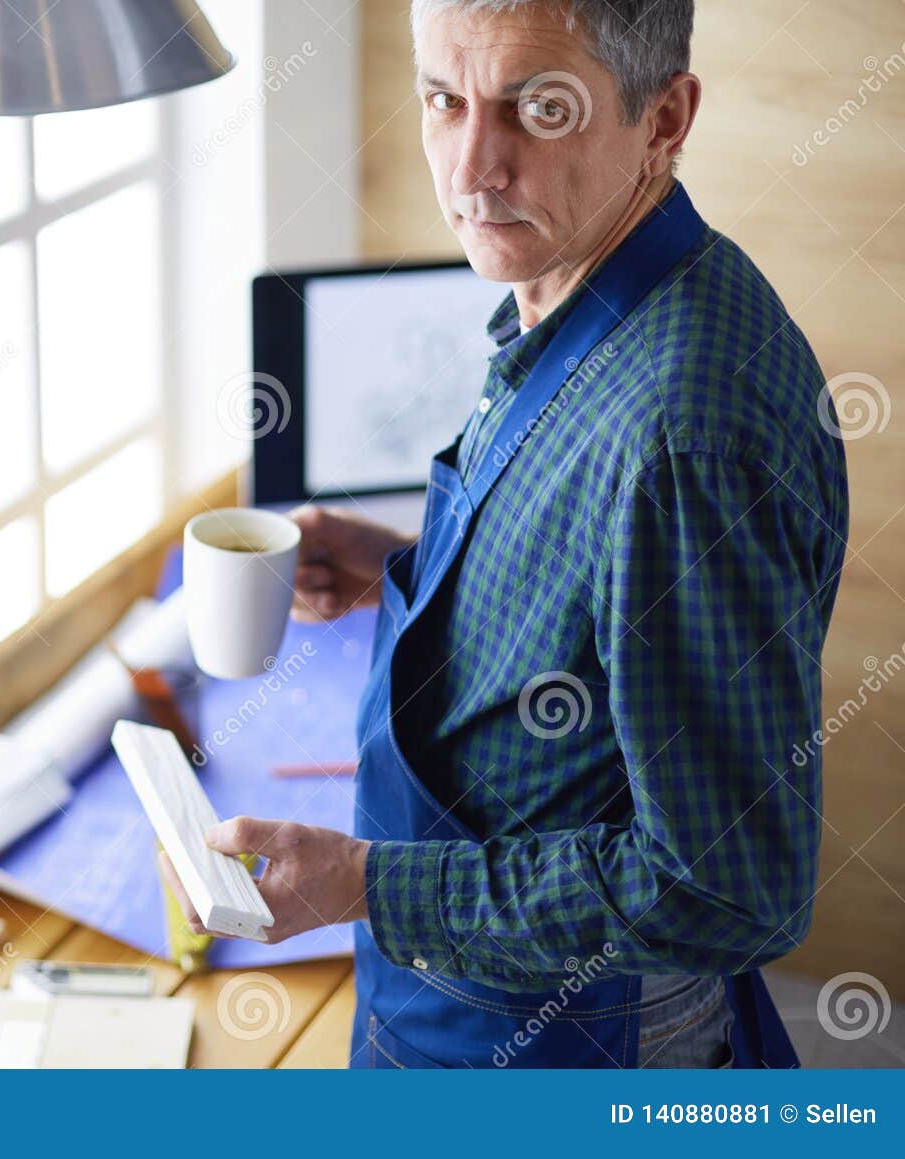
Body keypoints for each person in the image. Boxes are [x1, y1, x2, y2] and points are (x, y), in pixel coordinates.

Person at [160, 0, 849, 1068]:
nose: (473, 168)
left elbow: (726, 888)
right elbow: (592, 602)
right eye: (444, 100)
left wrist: (358, 882)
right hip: (457, 987)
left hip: (568, 1039)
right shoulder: (568, 286)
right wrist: (406, 566)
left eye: (539, 108)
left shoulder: (682, 431)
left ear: (664, 119)